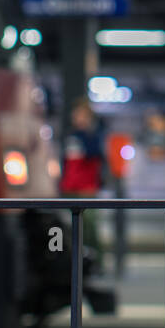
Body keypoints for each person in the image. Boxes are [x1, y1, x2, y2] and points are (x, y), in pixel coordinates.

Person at [60, 96, 104, 255]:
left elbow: (96, 156)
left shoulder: (93, 137)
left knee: (89, 227)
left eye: (81, 115)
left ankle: (96, 259)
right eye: (76, 115)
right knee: (69, 226)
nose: (77, 118)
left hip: (87, 188)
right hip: (69, 187)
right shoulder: (69, 137)